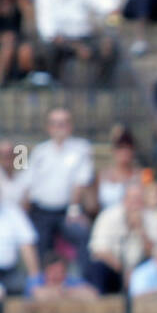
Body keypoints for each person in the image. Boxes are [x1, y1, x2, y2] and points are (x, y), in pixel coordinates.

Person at [23, 108, 95, 269]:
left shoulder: (81, 148)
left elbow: (81, 182)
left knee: (82, 234)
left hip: (68, 211)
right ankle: (40, 285)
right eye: (54, 124)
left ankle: (84, 281)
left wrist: (74, 210)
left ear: (70, 126)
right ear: (48, 127)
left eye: (62, 123)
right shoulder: (39, 151)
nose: (58, 127)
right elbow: (27, 184)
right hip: (40, 212)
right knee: (34, 241)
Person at [87, 180, 157, 292]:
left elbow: (156, 253)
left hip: (141, 268)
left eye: (138, 200)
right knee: (98, 267)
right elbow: (99, 250)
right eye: (132, 200)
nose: (135, 205)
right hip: (114, 267)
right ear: (124, 200)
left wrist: (141, 230)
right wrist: (124, 271)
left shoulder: (152, 217)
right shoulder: (108, 216)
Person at [33, 0, 120, 83]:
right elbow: (48, 32)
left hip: (86, 38)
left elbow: (111, 5)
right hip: (60, 42)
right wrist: (77, 48)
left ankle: (102, 88)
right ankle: (53, 84)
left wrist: (111, 20)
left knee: (108, 47)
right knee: (47, 50)